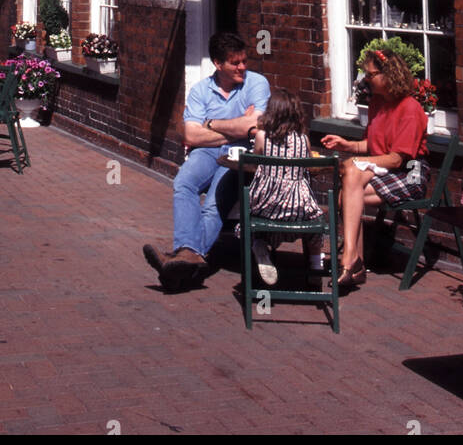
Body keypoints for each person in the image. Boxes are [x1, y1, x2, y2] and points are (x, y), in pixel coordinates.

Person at [143, 31, 270, 292]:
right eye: (235, 63)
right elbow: (190, 135)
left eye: (245, 61)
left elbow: (256, 125)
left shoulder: (256, 84)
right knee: (184, 183)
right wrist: (238, 127)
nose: (242, 67)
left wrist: (211, 124)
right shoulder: (201, 90)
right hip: (206, 152)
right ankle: (189, 258)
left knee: (213, 205)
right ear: (217, 63)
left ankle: (181, 258)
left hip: (239, 157)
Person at [320, 47, 430, 292]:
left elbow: (396, 159)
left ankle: (351, 261)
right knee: (349, 183)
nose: (366, 79)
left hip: (409, 171)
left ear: (388, 74)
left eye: (370, 75)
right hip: (386, 168)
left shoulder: (410, 108)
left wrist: (358, 163)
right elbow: (373, 144)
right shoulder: (377, 103)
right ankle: (353, 262)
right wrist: (347, 144)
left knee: (348, 185)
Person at [247, 88, 324, 286]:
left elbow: (255, 161)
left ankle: (260, 243)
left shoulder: (263, 136)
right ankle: (316, 266)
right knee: (315, 219)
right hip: (297, 208)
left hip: (267, 206)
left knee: (253, 211)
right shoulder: (303, 139)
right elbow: (307, 166)